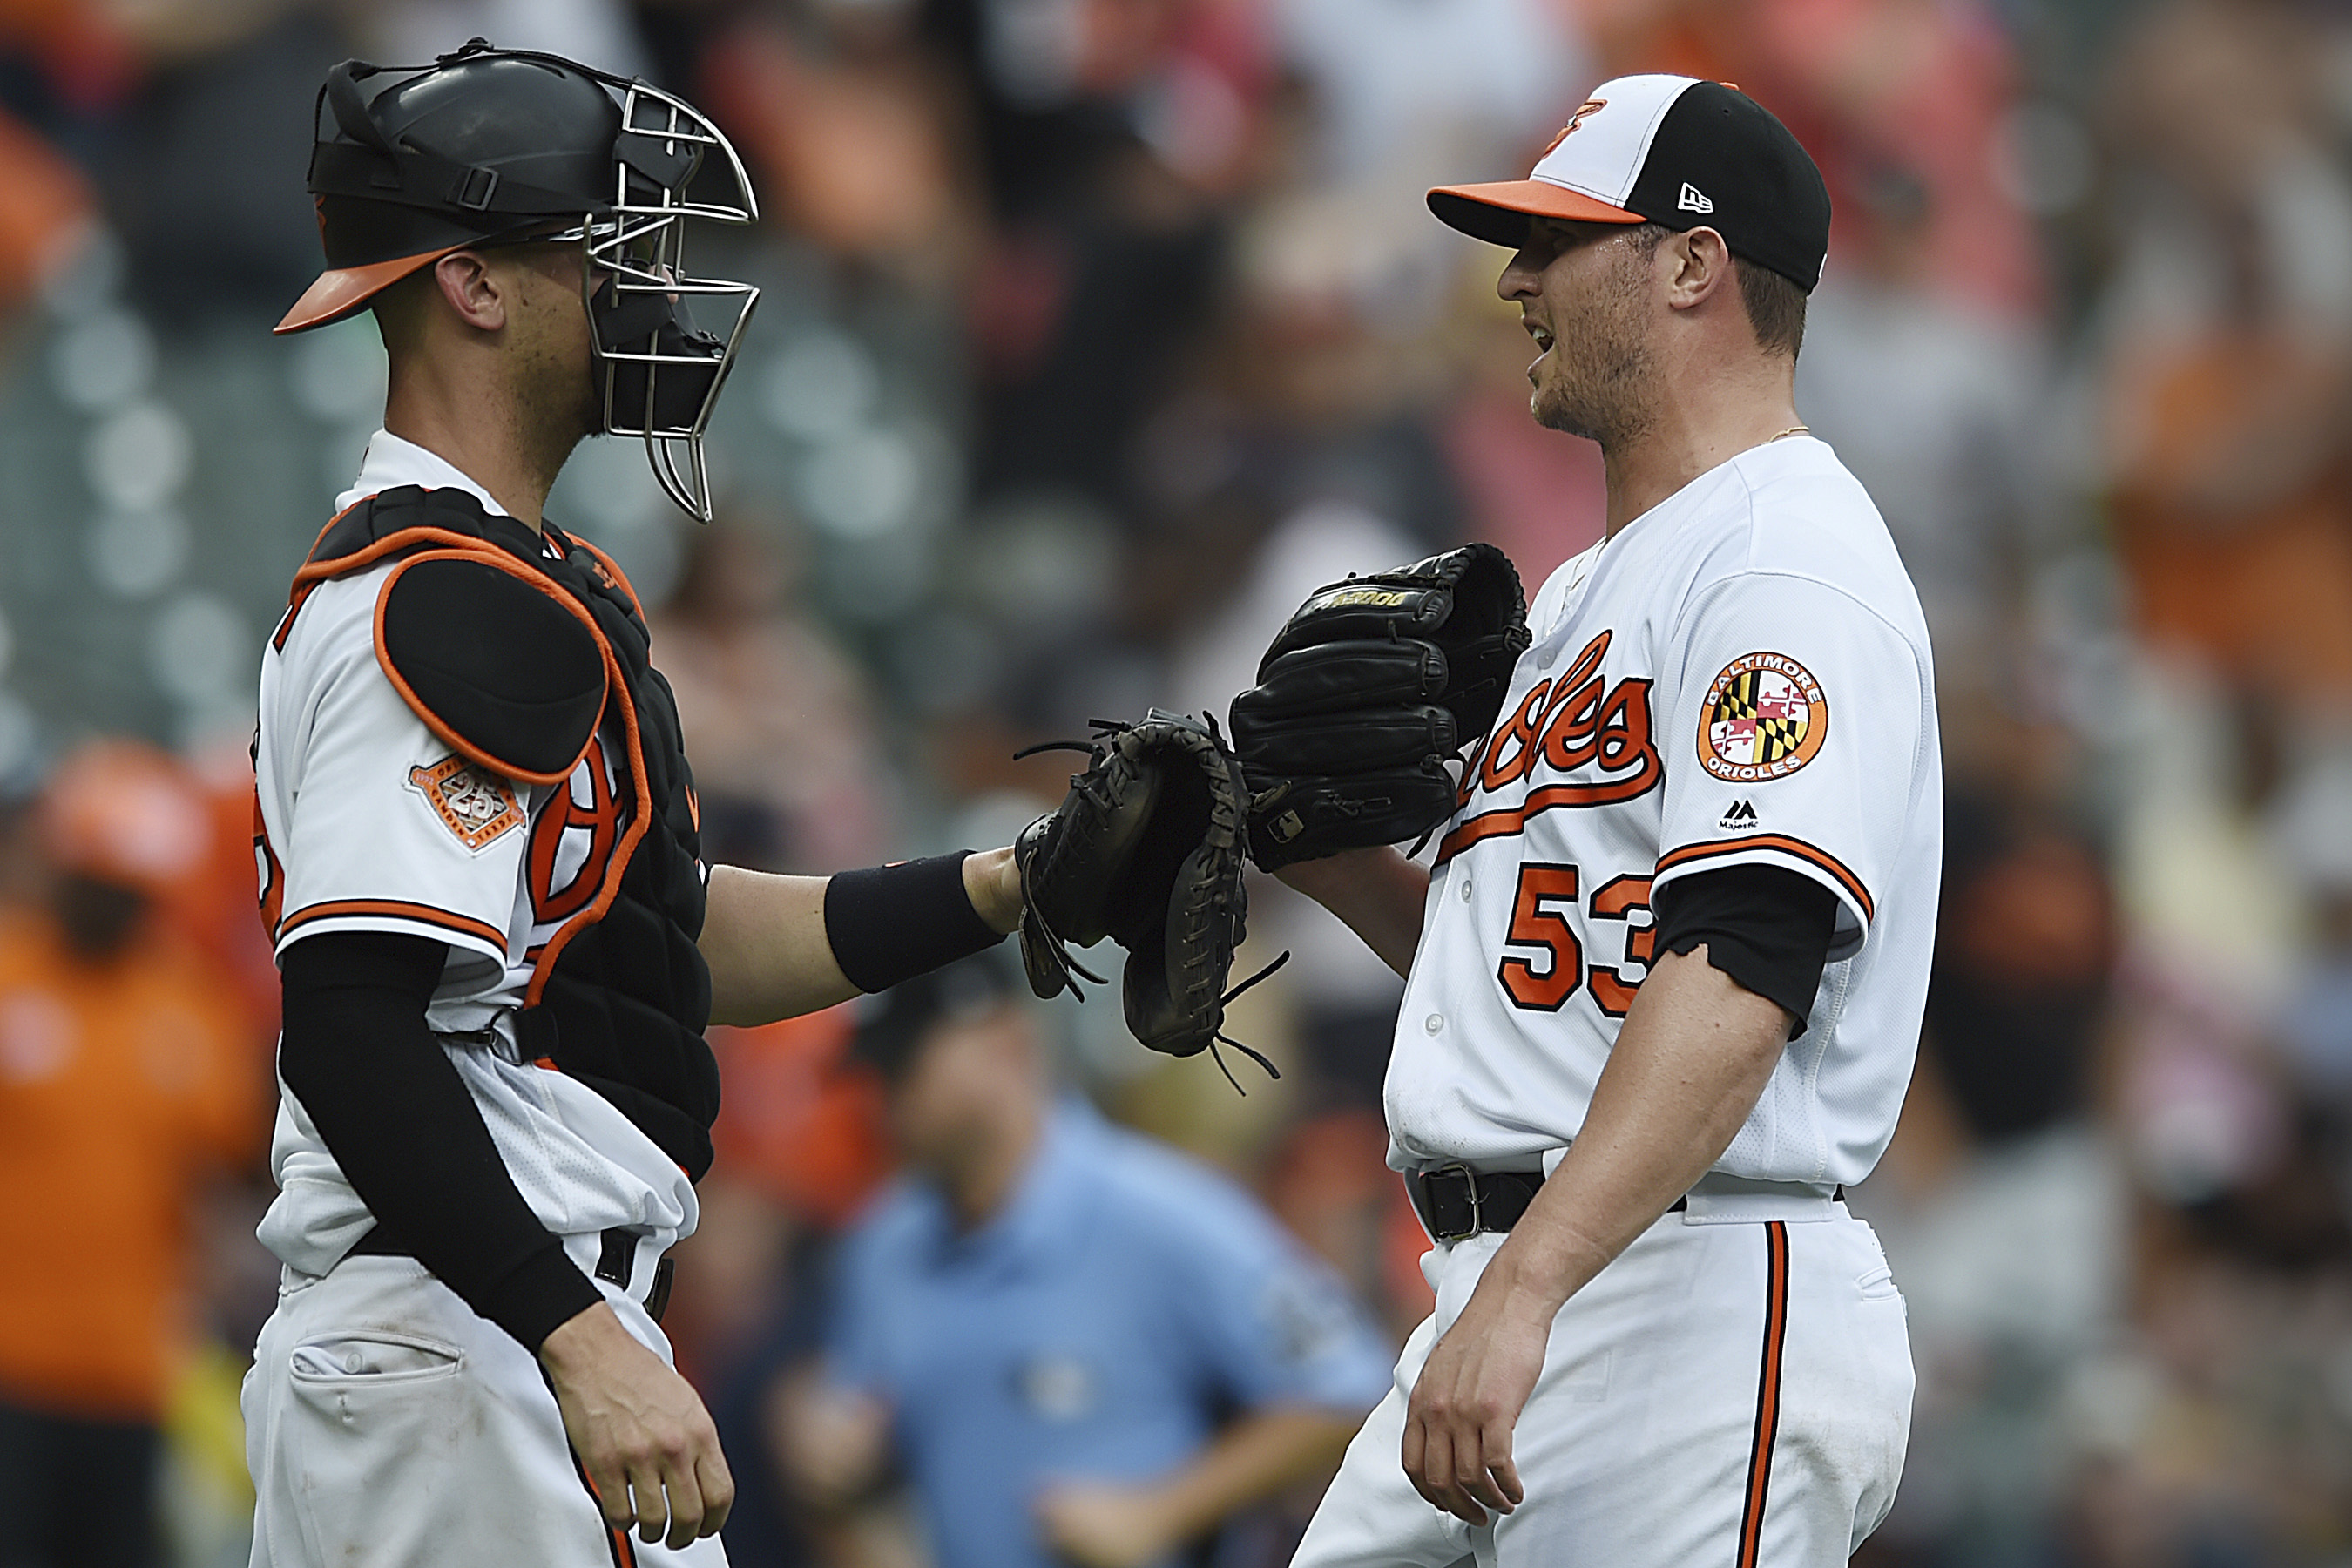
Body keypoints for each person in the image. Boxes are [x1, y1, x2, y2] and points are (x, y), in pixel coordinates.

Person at [245, 42, 1031, 1567]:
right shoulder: (440, 600)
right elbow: (349, 1020)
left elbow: (670, 943)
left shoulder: (517, 581)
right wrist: (575, 1339)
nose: (650, 291)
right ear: (473, 286)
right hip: (481, 1342)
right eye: (606, 249)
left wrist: (1011, 884)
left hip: (478, 1339)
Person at [1273, 75, 1940, 1565]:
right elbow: (1529, 987)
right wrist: (1326, 865)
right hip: (1540, 1271)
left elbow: (1748, 959)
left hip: (1687, 1289)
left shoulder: (1786, 560)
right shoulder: (1581, 593)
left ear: (1691, 263)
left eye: (1559, 241)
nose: (1515, 277)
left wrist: (1530, 1289)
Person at [783, 951, 1394, 1568]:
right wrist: (832, 1460)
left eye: (904, 1065)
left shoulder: (1159, 1211)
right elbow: (855, 1435)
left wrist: (1160, 1510)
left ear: (1006, 1043)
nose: (884, 1102)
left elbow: (1348, 1385)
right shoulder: (881, 1244)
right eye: (877, 1075)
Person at [0, 741, 264, 1568]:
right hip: (10, 1364)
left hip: (135, 1377)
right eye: (97, 881)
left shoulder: (187, 1007)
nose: (110, 908)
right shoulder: (10, 974)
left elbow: (239, 1162)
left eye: (129, 893)